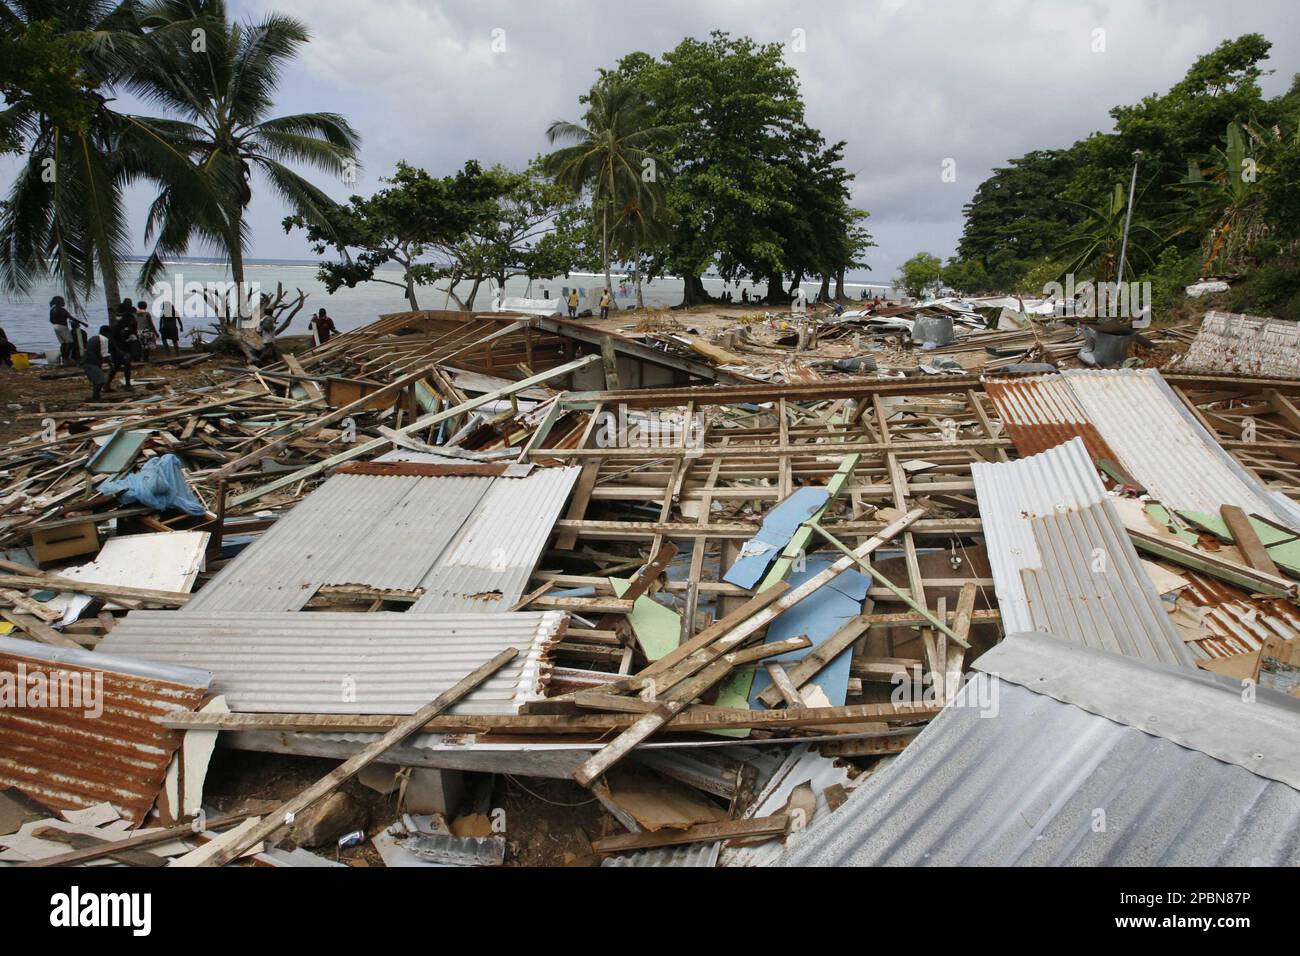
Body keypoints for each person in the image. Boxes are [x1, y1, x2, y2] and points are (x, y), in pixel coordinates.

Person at [82, 325, 113, 401]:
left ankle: (96, 396)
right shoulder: (104, 339)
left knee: (97, 380)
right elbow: (105, 355)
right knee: (101, 380)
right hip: (92, 363)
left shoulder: (93, 338)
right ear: (107, 333)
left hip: (86, 362)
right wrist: (111, 365)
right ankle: (95, 397)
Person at [49, 296, 82, 364]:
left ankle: (64, 358)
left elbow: (51, 320)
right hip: (63, 327)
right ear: (60, 302)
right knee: (70, 343)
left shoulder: (52, 309)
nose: (64, 302)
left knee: (63, 343)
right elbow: (71, 318)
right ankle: (66, 358)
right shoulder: (62, 310)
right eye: (63, 301)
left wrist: (56, 323)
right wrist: (83, 323)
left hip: (55, 327)